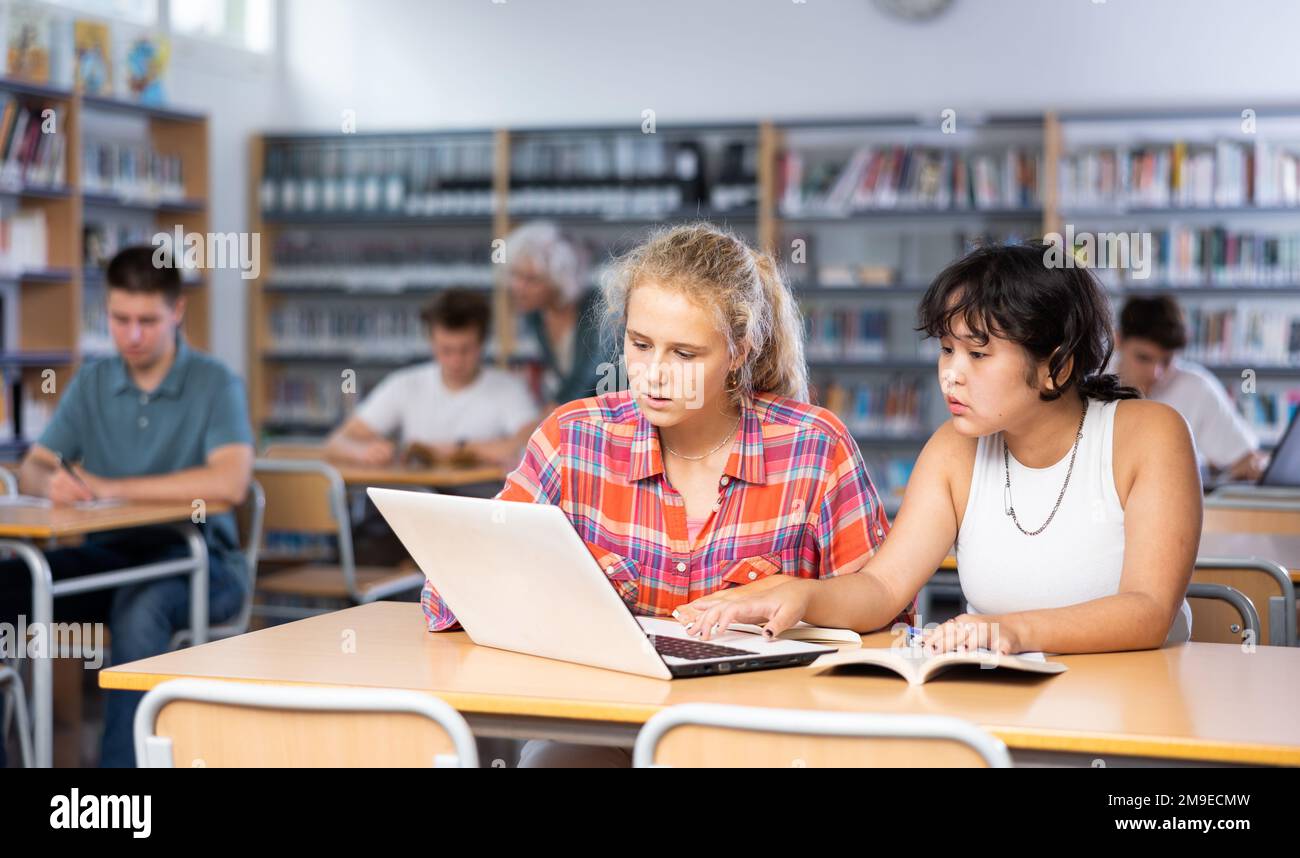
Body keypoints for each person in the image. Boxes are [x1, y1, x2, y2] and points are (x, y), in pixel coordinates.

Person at [421, 223, 904, 766]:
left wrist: (805, 595)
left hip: (763, 730)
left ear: (740, 350)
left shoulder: (815, 447)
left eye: (685, 354)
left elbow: (884, 611)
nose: (654, 375)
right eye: (640, 344)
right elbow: (452, 589)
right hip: (607, 722)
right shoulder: (573, 439)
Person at [677, 243, 1200, 657]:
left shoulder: (1150, 435)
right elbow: (883, 587)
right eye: (947, 349)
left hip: (1134, 698)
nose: (950, 373)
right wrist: (800, 593)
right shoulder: (954, 449)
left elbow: (1149, 610)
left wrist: (1007, 632)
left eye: (978, 353)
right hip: (1001, 700)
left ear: (1056, 366)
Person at [0, 246, 253, 767]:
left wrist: (110, 485)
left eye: (146, 321)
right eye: (119, 319)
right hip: (108, 559)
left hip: (202, 563)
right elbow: (34, 466)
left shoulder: (214, 383)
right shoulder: (94, 381)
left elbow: (229, 483)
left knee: (139, 611)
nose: (131, 335)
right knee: (6, 584)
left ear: (177, 312)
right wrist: (54, 482)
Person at [325, 288, 538, 470]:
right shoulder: (405, 385)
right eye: (446, 350)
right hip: (417, 503)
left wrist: (456, 450)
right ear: (431, 342)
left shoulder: (509, 389)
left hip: (481, 505)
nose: (456, 361)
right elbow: (336, 442)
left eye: (466, 350)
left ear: (482, 343)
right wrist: (361, 451)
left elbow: (532, 446)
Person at [1113, 295, 1266, 482]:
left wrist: (1254, 465)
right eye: (1143, 358)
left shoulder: (1196, 387)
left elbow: (1248, 458)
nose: (1156, 373)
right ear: (1118, 341)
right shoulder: (1089, 382)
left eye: (1166, 361)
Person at [506, 221, 607, 407]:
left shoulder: (599, 310)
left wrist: (542, 421)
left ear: (560, 279)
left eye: (531, 279)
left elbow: (585, 382)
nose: (518, 287)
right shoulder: (535, 315)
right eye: (515, 275)